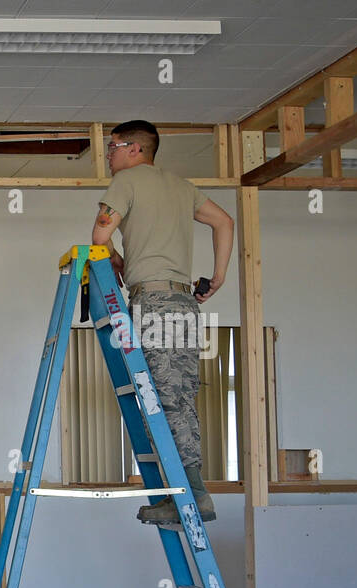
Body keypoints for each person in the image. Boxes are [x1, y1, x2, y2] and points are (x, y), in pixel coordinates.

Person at [92, 119, 234, 525]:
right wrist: (218, 275)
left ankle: (193, 494)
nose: (108, 153)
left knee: (165, 400)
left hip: (153, 301)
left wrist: (115, 258)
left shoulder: (128, 180)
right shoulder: (181, 186)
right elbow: (224, 222)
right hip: (184, 302)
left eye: (114, 146)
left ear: (136, 149)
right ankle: (185, 490)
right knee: (179, 396)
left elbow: (100, 234)